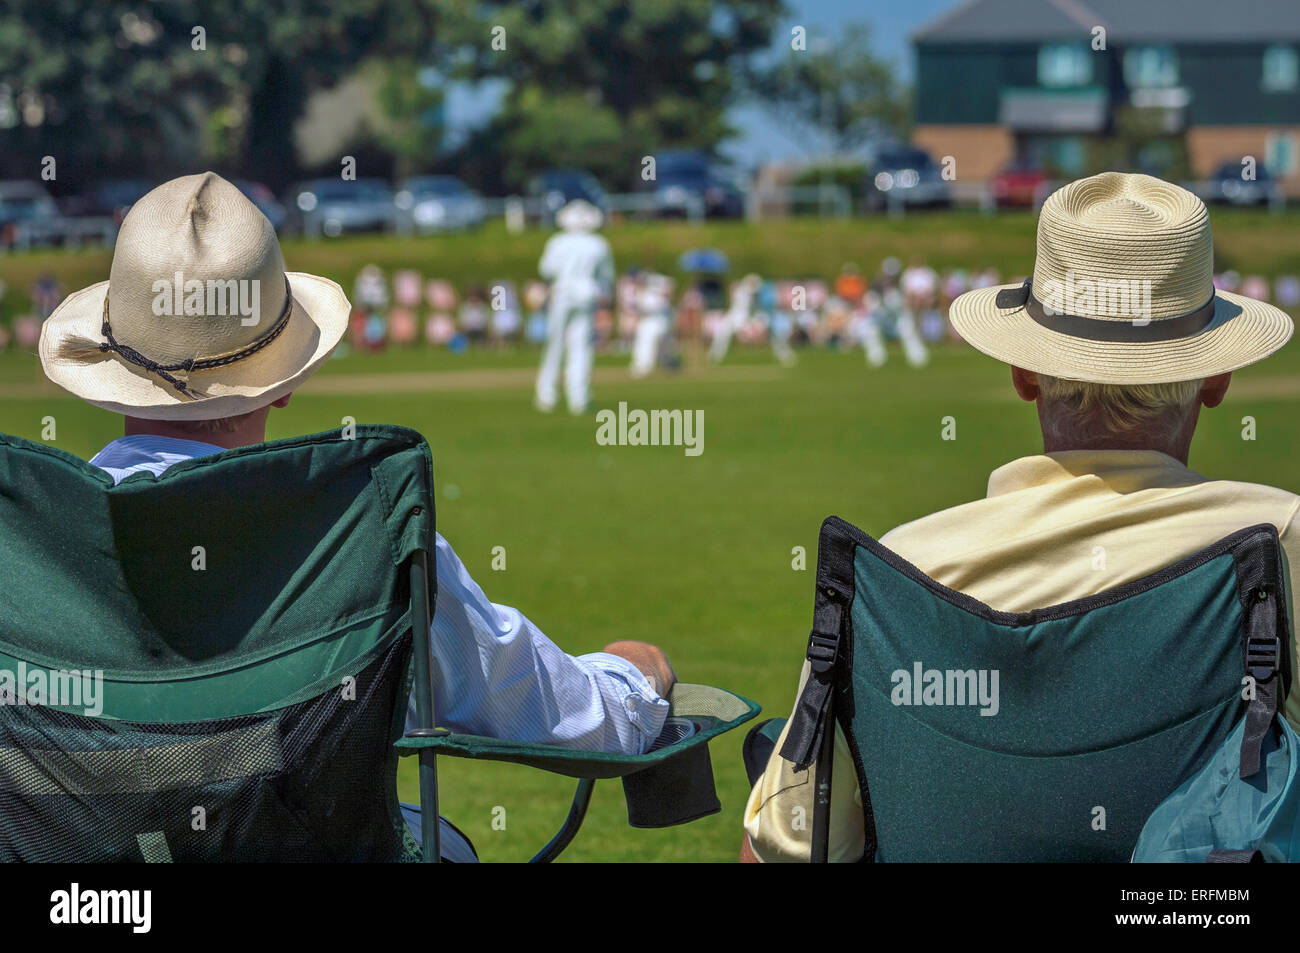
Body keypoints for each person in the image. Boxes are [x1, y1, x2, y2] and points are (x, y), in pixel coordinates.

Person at [37, 173, 675, 862]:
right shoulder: (361, 532)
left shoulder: (33, 536)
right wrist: (634, 680)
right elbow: (546, 713)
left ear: (109, 365)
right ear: (282, 386)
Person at [742, 171, 1299, 862]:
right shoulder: (1280, 540)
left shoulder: (899, 572)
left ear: (1023, 372)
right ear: (1217, 378)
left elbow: (786, 845)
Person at [535, 199, 613, 414]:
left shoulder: (557, 242)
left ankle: (547, 395)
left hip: (562, 293)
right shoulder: (598, 244)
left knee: (555, 344)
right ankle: (579, 398)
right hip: (587, 294)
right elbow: (606, 276)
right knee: (581, 347)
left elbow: (546, 270)